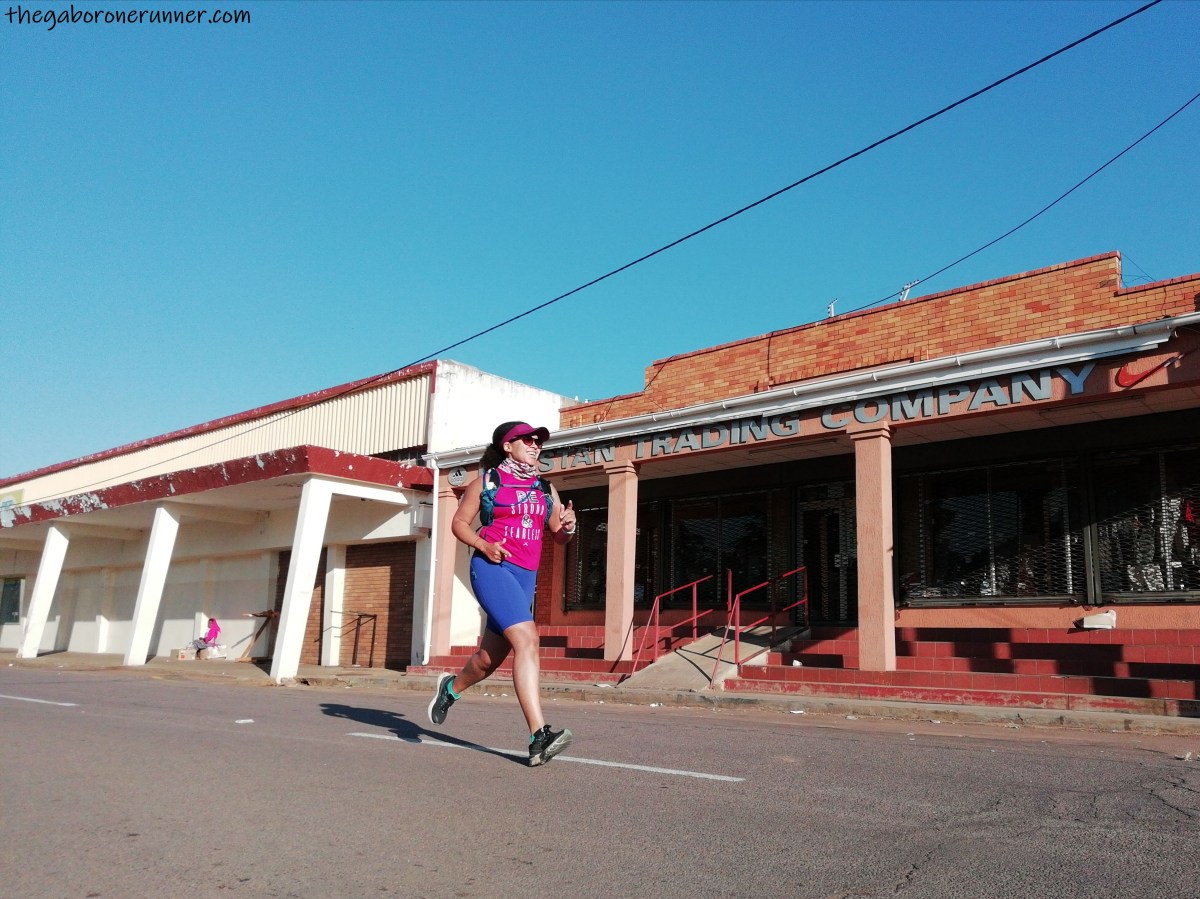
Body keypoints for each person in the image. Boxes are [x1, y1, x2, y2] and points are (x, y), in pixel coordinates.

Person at [428, 421, 578, 767]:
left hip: (525, 578)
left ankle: (449, 690)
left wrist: (569, 525)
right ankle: (539, 737)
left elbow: (558, 536)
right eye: (527, 439)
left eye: (538, 441)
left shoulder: (545, 489)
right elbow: (458, 523)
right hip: (492, 569)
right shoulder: (488, 482)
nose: (535, 444)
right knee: (528, 639)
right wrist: (483, 544)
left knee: (487, 660)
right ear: (507, 446)